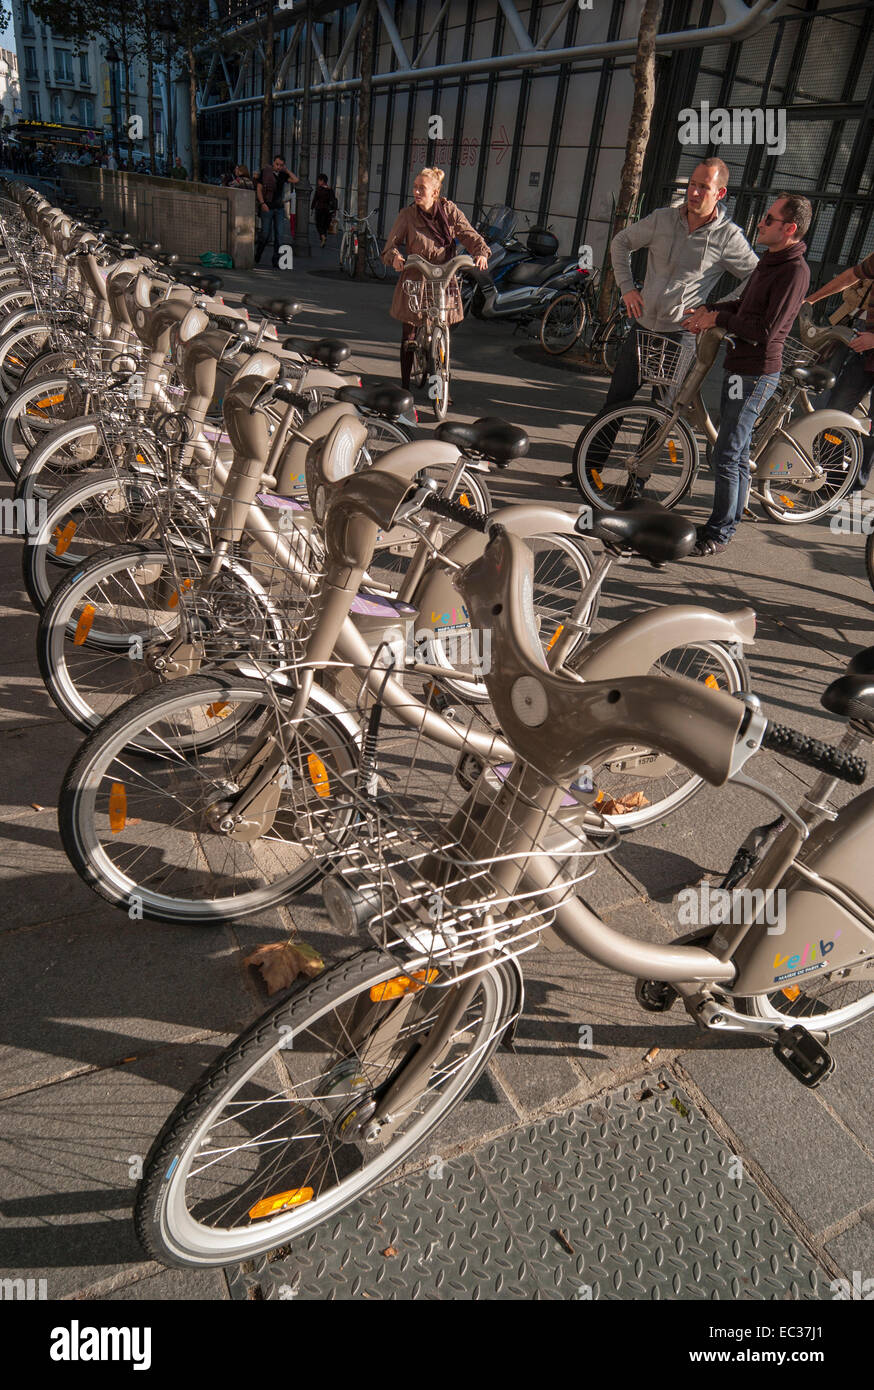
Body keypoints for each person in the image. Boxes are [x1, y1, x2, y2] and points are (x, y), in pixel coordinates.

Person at [560, 158, 760, 485]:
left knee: (661, 415)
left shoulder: (727, 237)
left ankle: (636, 483)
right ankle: (587, 472)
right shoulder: (663, 219)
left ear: (720, 193)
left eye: (703, 187)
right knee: (614, 404)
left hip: (680, 338)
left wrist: (714, 311)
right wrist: (627, 289)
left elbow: (756, 276)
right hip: (642, 329)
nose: (693, 192)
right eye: (691, 185)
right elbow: (620, 242)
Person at [682, 192, 812, 556]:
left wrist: (718, 319)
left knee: (727, 452)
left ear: (789, 228)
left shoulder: (794, 272)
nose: (760, 223)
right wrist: (709, 308)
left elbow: (766, 330)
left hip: (757, 373)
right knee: (733, 452)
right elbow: (744, 306)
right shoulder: (771, 262)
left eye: (768, 219)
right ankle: (728, 520)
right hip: (740, 366)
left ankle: (719, 534)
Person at [381, 167, 489, 390]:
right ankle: (404, 388)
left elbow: (468, 234)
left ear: (435, 192)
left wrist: (480, 252)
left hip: (443, 277)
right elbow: (390, 246)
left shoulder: (449, 211)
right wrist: (395, 258)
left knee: (443, 327)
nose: (416, 192)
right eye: (415, 187)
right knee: (409, 333)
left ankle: (441, 383)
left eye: (422, 188)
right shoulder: (407, 215)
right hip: (415, 278)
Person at [802, 254, 874, 492]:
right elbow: (852, 275)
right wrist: (809, 300)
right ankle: (826, 477)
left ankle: (854, 485)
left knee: (871, 427)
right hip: (865, 350)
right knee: (836, 410)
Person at [255, 155, 299, 266]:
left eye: (281, 165)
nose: (278, 167)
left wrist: (287, 170)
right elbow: (259, 189)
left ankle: (276, 259)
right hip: (267, 207)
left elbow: (296, 180)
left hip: (279, 208)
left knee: (279, 235)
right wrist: (262, 203)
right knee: (265, 234)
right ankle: (258, 253)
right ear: (273, 163)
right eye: (277, 164)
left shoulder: (283, 175)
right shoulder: (265, 172)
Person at [311, 173, 337, 248]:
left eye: (319, 180)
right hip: (327, 210)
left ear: (322, 181)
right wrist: (334, 210)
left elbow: (315, 199)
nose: (318, 182)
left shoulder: (319, 189)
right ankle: (323, 238)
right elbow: (333, 200)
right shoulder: (330, 190)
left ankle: (322, 237)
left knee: (318, 224)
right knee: (325, 225)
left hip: (319, 209)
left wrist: (312, 208)